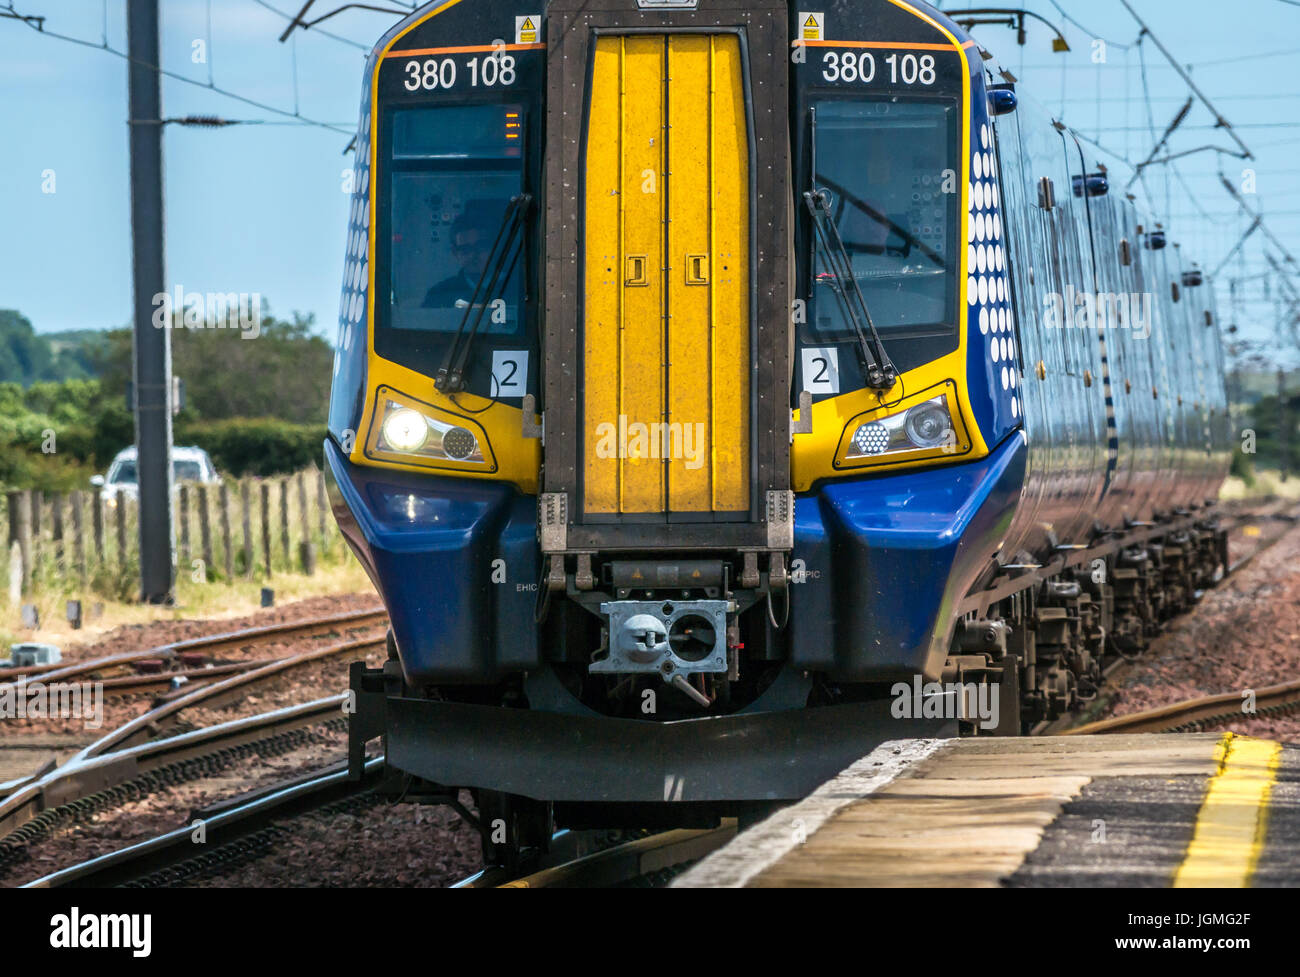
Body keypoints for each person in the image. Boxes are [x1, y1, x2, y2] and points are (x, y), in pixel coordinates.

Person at [422, 212, 496, 309]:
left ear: (492, 247)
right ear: (455, 253)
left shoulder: (515, 288)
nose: (473, 255)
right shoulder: (438, 295)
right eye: (466, 249)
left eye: (480, 246)